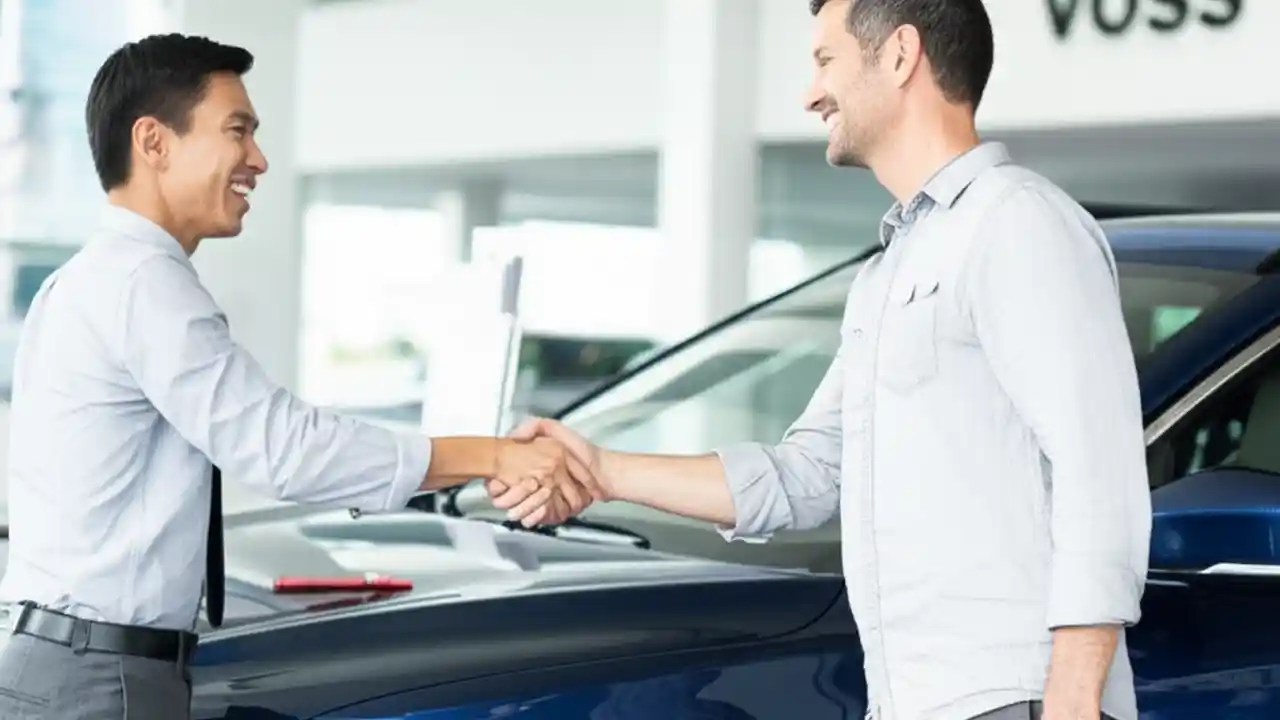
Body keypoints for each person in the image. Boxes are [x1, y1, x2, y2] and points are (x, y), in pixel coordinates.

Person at [490, 1, 1152, 719]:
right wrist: (602, 471)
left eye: (825, 61)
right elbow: (809, 474)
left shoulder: (1017, 223)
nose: (810, 93)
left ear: (900, 56)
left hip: (1012, 698)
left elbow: (1100, 468)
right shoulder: (890, 269)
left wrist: (1074, 697)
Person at [0, 34, 595, 719]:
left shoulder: (82, 280)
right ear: (154, 142)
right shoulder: (145, 285)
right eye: (237, 131)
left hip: (54, 662)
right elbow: (285, 448)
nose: (258, 159)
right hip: (103, 682)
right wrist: (489, 455)